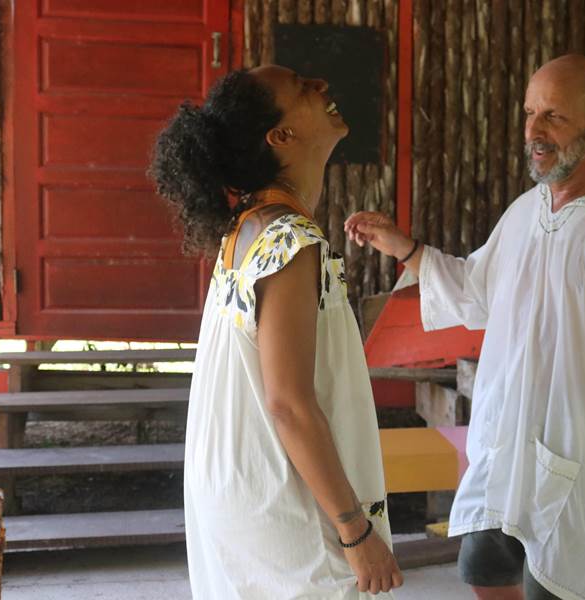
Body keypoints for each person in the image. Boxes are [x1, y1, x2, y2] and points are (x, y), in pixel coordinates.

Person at [345, 54, 585, 600]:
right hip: (504, 446)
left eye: (552, 115)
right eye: (529, 113)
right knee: (484, 572)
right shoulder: (529, 210)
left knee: (563, 585)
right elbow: (477, 291)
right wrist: (404, 248)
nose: (533, 131)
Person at [150, 65, 402, 599]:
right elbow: (288, 402)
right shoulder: (288, 239)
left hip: (244, 489)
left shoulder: (250, 225)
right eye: (302, 88)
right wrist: (355, 531)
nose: (323, 85)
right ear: (281, 136)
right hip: (282, 509)